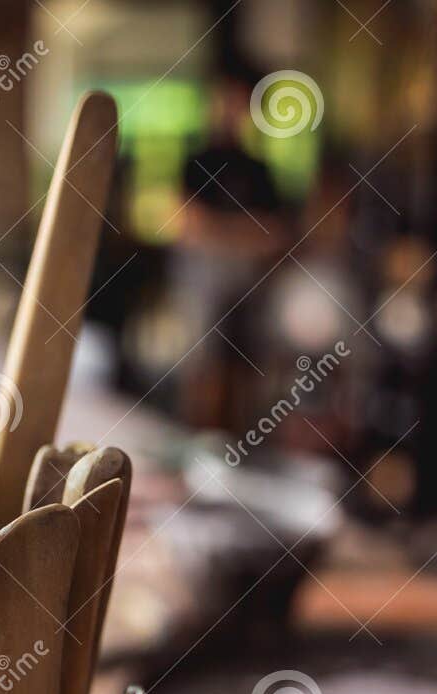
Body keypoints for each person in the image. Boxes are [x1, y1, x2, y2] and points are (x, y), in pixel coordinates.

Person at [171, 72, 286, 430]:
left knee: (247, 362)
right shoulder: (195, 161)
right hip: (203, 276)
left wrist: (218, 231)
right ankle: (198, 435)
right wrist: (241, 233)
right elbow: (185, 225)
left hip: (248, 280)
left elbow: (275, 235)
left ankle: (240, 438)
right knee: (201, 359)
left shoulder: (260, 169)